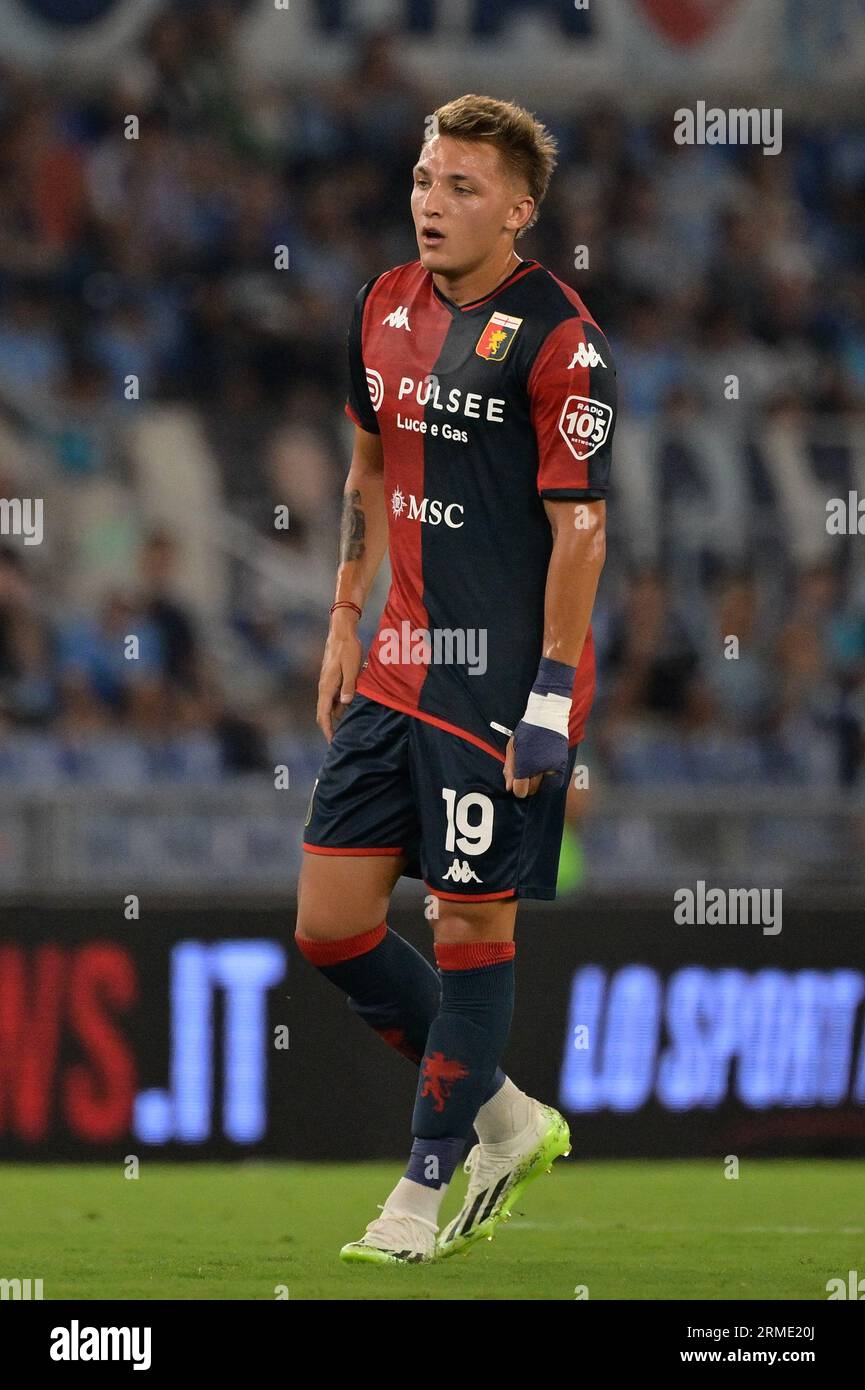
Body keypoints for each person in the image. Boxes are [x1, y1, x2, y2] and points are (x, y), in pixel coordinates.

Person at [295, 93, 617, 1264]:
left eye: (463, 188)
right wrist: (343, 612)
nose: (433, 202)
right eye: (427, 180)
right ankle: (507, 1116)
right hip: (394, 668)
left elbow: (578, 531)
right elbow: (369, 456)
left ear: (520, 211)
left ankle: (423, 1192)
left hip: (497, 694)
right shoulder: (383, 304)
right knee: (330, 926)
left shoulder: (559, 339)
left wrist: (547, 697)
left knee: (471, 924)